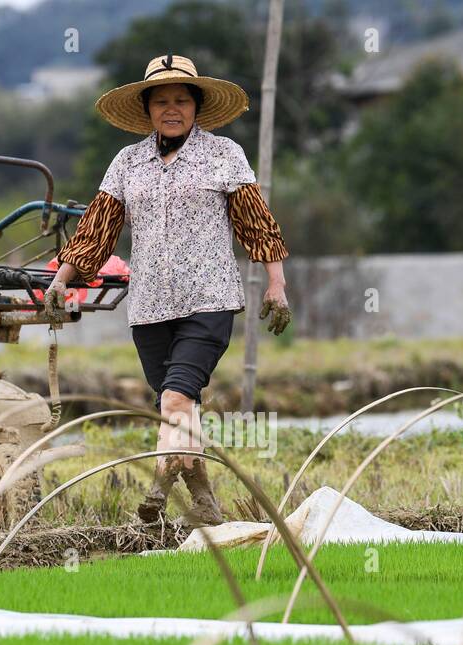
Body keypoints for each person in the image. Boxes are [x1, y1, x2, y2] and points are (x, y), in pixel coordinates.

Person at [45, 53, 292, 525]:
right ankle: (204, 501)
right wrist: (61, 280)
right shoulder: (127, 162)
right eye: (162, 101)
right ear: (148, 110)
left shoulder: (224, 156)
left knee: (176, 399)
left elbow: (258, 226)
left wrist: (276, 285)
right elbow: (97, 231)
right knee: (178, 409)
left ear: (197, 106)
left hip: (210, 299)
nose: (172, 108)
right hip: (149, 306)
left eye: (181, 99)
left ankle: (159, 487)